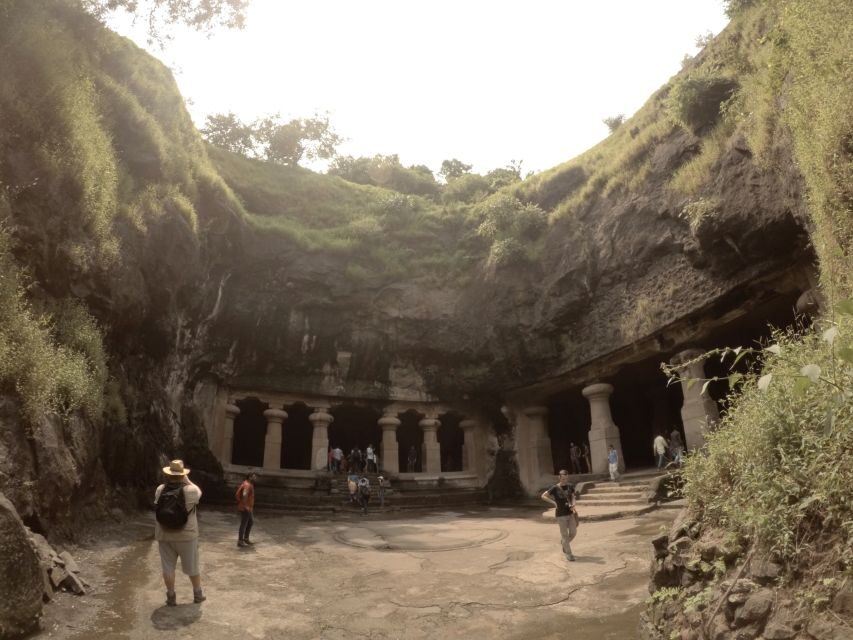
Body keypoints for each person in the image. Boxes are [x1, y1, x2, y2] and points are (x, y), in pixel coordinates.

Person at [154, 460, 205, 606]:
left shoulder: (160, 489)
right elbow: (199, 492)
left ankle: (171, 597)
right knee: (192, 566)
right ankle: (197, 594)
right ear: (182, 475)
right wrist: (187, 480)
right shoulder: (191, 490)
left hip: (164, 534)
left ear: (168, 474)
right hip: (187, 536)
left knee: (168, 567)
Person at [541, 469, 578, 561]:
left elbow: (573, 496)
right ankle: (569, 554)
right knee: (564, 535)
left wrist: (573, 504)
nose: (565, 480)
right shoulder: (555, 488)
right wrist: (554, 503)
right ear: (559, 478)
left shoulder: (570, 486)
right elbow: (543, 496)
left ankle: (564, 544)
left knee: (573, 533)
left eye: (566, 478)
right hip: (561, 515)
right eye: (563, 479)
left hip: (570, 513)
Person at [235, 471, 256, 548]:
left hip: (248, 507)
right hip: (245, 508)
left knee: (250, 522)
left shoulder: (248, 483)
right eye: (254, 477)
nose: (255, 478)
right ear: (250, 477)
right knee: (244, 524)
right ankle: (240, 541)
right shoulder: (247, 485)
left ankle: (246, 538)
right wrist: (245, 506)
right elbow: (244, 494)